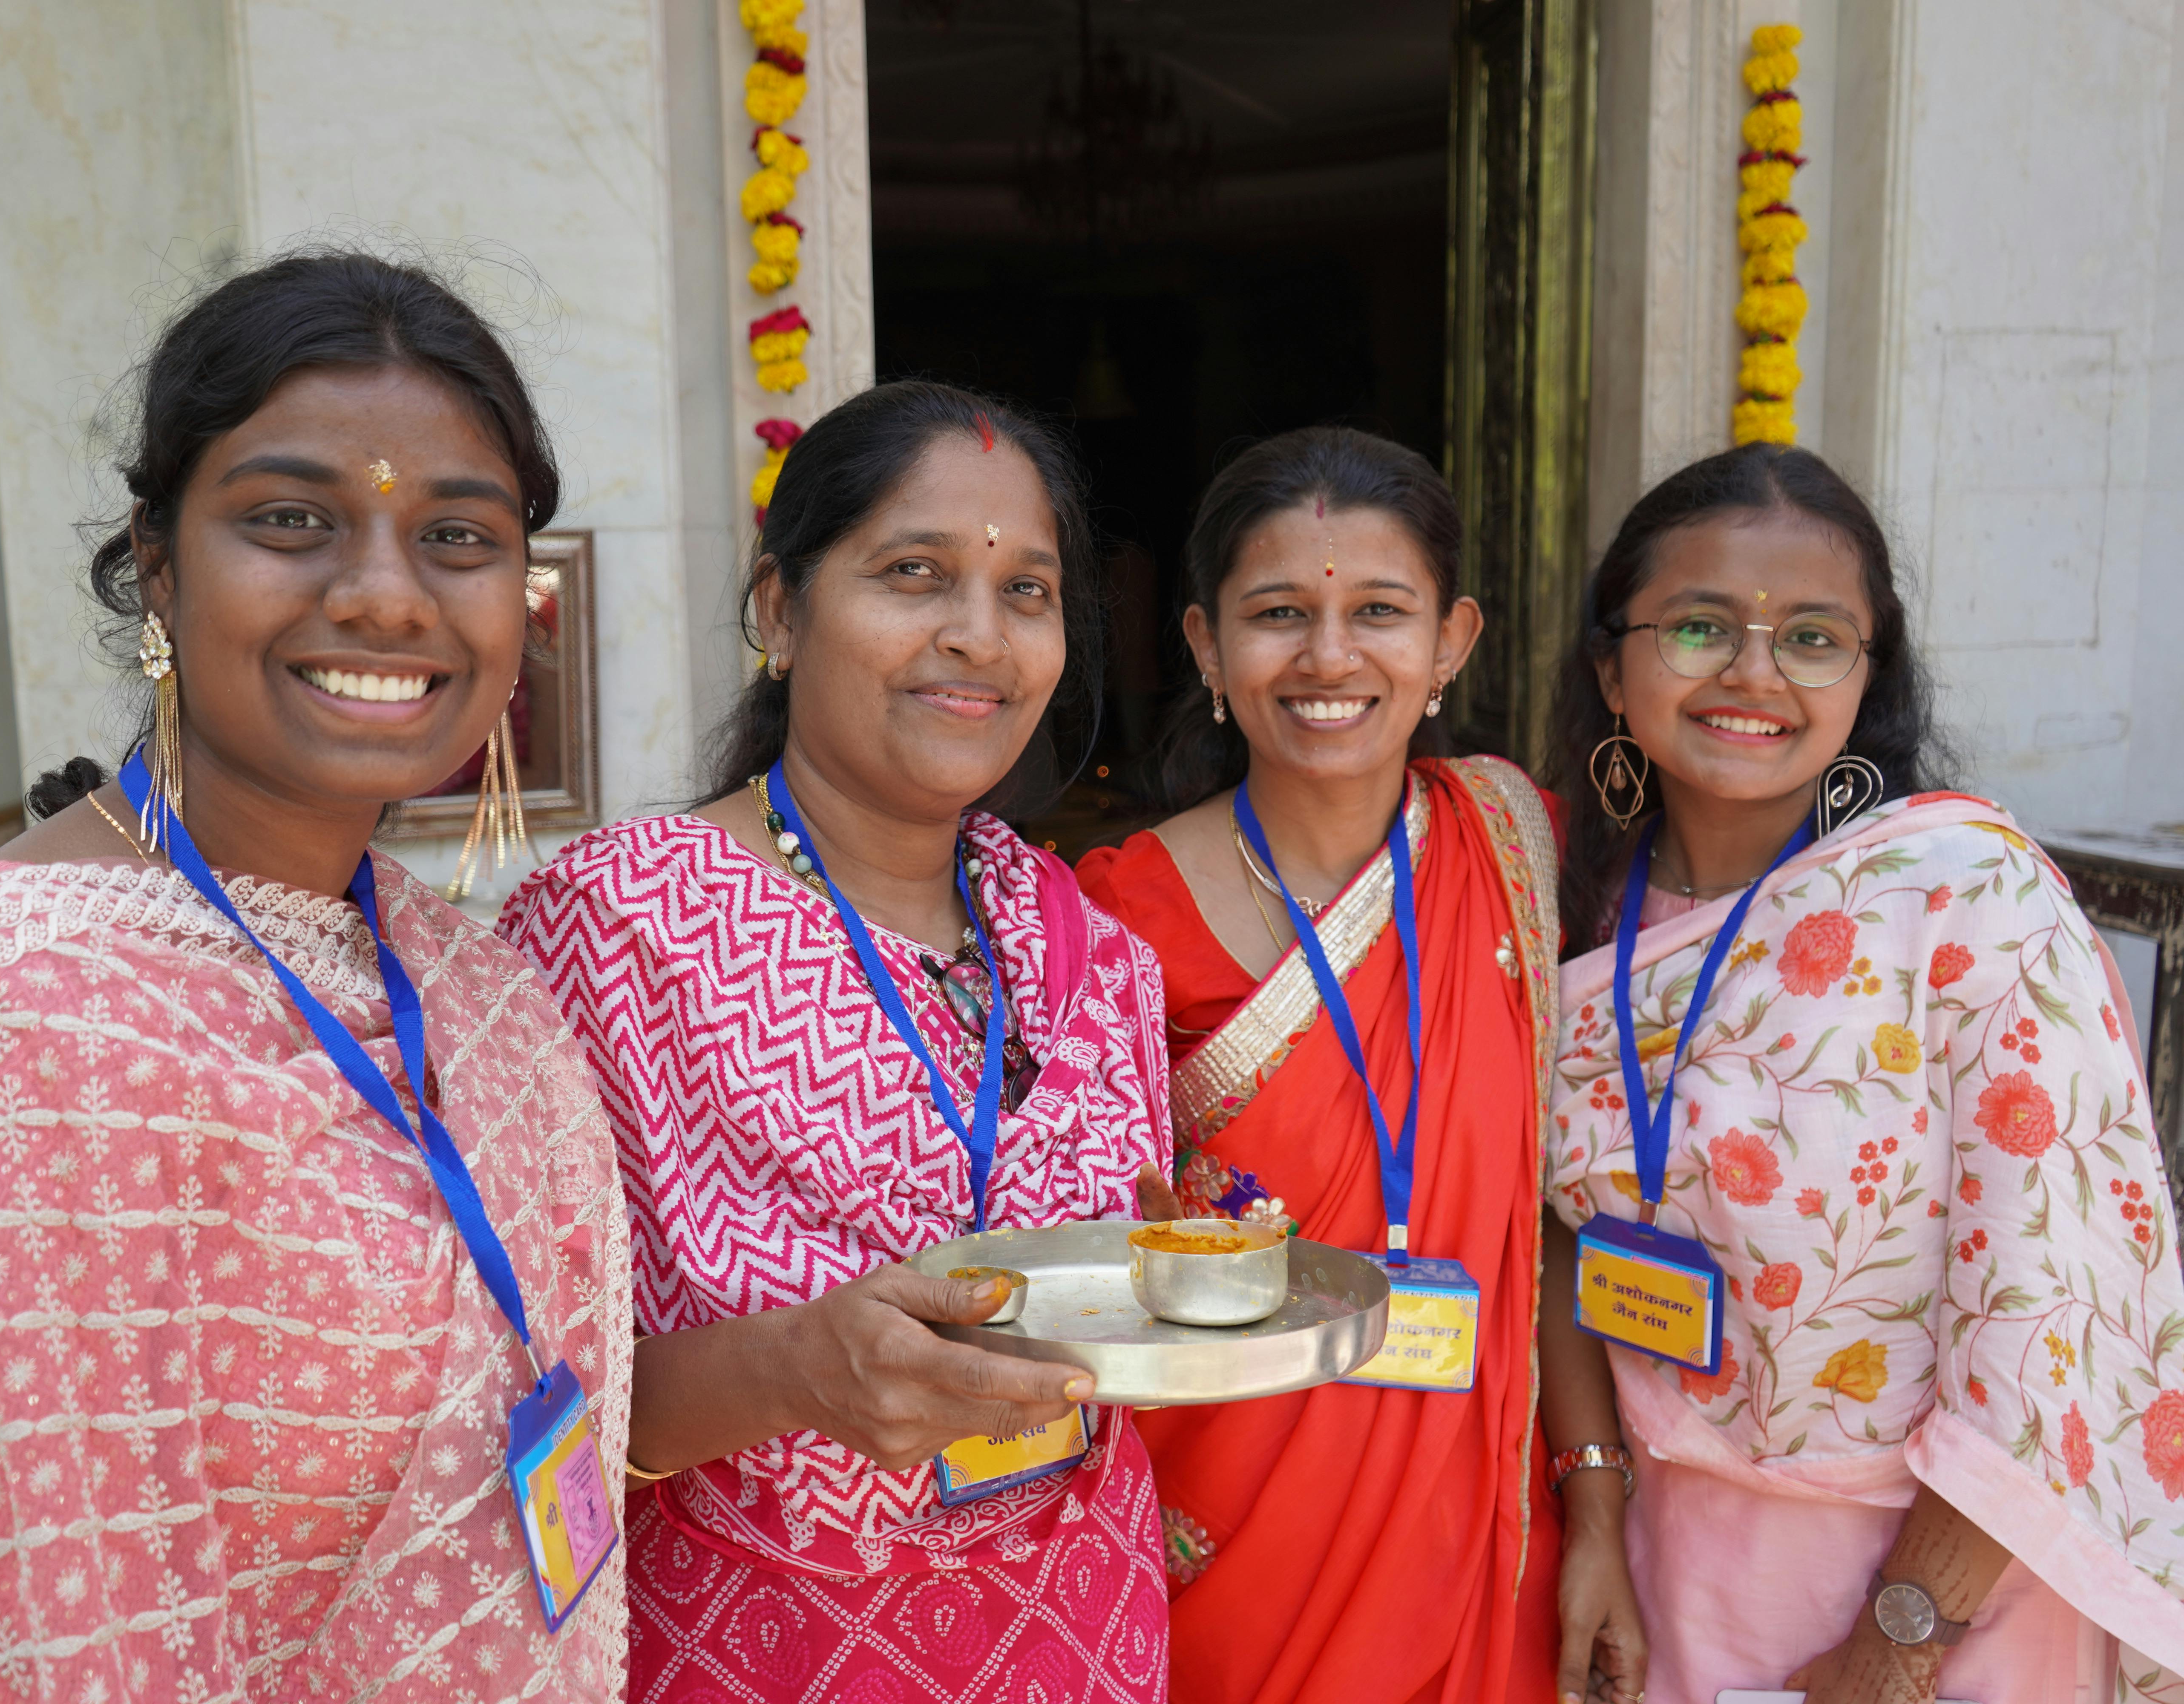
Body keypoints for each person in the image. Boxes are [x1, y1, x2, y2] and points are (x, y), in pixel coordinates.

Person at [0, 253, 632, 1703]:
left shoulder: (464, 974)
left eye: (460, 536)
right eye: (289, 520)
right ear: (157, 560)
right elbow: (2, 1634)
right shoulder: (15, 1019)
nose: (389, 598)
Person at [498, 381, 1174, 1704]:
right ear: (779, 611)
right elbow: (521, 1409)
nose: (977, 635)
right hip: (770, 1643)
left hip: (1084, 1624)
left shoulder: (1080, 935)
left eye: (1026, 592)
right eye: (914, 574)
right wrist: (792, 1371)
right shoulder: (616, 927)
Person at [1544, 441, 2184, 1701]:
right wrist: (1598, 1519)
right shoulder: (1574, 908)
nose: (1753, 672)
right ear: (1615, 666)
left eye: (1814, 638)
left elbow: (2051, 1318)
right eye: (1698, 628)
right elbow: (1556, 1236)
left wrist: (1899, 1643)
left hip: (1945, 1591)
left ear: (1866, 680)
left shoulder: (1968, 904)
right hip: (1668, 1560)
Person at [1076, 426, 1645, 1704]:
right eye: (1280, 613)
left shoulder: (1517, 848)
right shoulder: (1111, 916)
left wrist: (1597, 1511)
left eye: (1379, 611)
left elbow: (1544, 1227)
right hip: (1218, 1547)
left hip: (1484, 1542)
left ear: (1451, 642)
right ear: (1207, 648)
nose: (1330, 658)